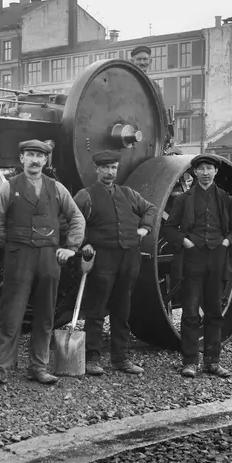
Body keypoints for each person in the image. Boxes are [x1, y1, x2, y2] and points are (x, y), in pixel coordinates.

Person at [0, 140, 85, 387]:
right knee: (10, 314)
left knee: (45, 314)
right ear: (22, 159)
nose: (35, 160)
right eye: (30, 155)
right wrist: (13, 245)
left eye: (39, 156)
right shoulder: (9, 188)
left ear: (46, 161)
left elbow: (76, 217)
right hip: (19, 258)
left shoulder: (57, 188)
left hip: (49, 258)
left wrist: (70, 248)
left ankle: (39, 367)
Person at [74, 151, 159, 376]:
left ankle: (120, 358)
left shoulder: (128, 193)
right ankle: (92, 358)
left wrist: (144, 228)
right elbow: (70, 221)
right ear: (97, 170)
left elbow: (150, 209)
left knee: (122, 309)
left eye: (113, 168)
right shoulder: (86, 195)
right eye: (105, 168)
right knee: (97, 309)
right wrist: (84, 243)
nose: (110, 172)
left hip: (129, 258)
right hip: (102, 258)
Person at [161, 154, 232, 379]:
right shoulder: (183, 200)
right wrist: (185, 242)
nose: (205, 173)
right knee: (190, 312)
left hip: (217, 260)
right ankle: (189, 362)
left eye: (209, 169)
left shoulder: (226, 199)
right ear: (194, 172)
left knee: (214, 312)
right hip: (191, 260)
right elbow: (170, 229)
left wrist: (226, 243)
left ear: (216, 172)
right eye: (201, 169)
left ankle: (212, 361)